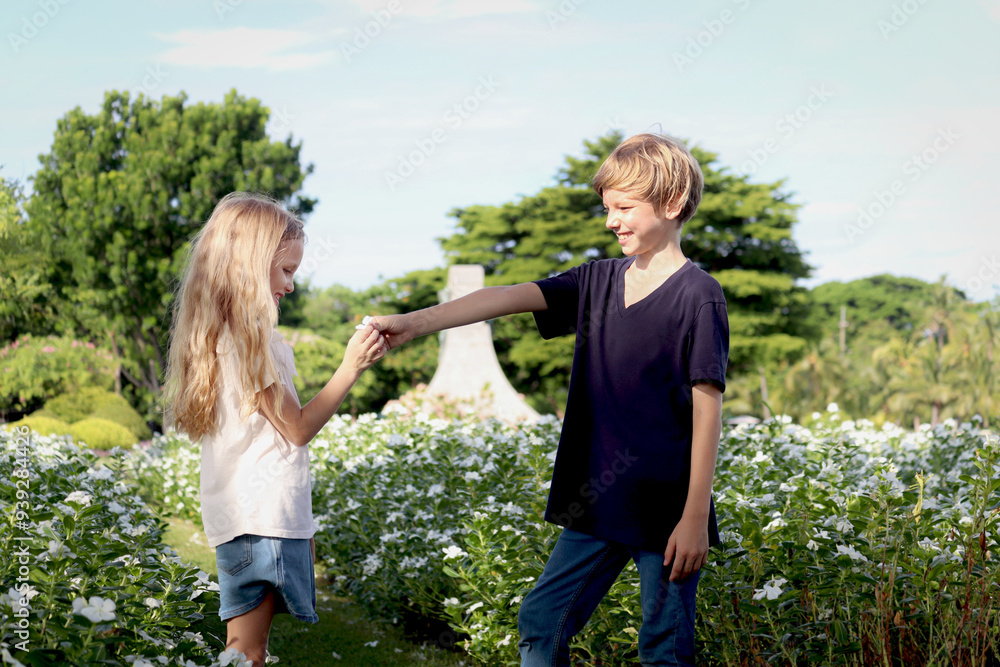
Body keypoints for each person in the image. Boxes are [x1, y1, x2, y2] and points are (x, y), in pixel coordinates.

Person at [373, 133, 729, 666]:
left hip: (669, 511)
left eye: (625, 208)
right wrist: (412, 324)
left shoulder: (700, 296)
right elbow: (503, 298)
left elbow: (708, 409)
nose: (612, 221)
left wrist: (695, 514)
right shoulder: (595, 282)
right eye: (607, 209)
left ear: (673, 204)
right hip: (597, 499)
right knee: (541, 621)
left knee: (664, 648)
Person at [163, 192, 387, 664]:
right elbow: (299, 428)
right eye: (285, 271)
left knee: (246, 649)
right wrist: (351, 367)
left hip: (248, 519)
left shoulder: (226, 337)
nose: (290, 286)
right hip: (259, 521)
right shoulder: (249, 342)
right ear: (249, 265)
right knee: (247, 653)